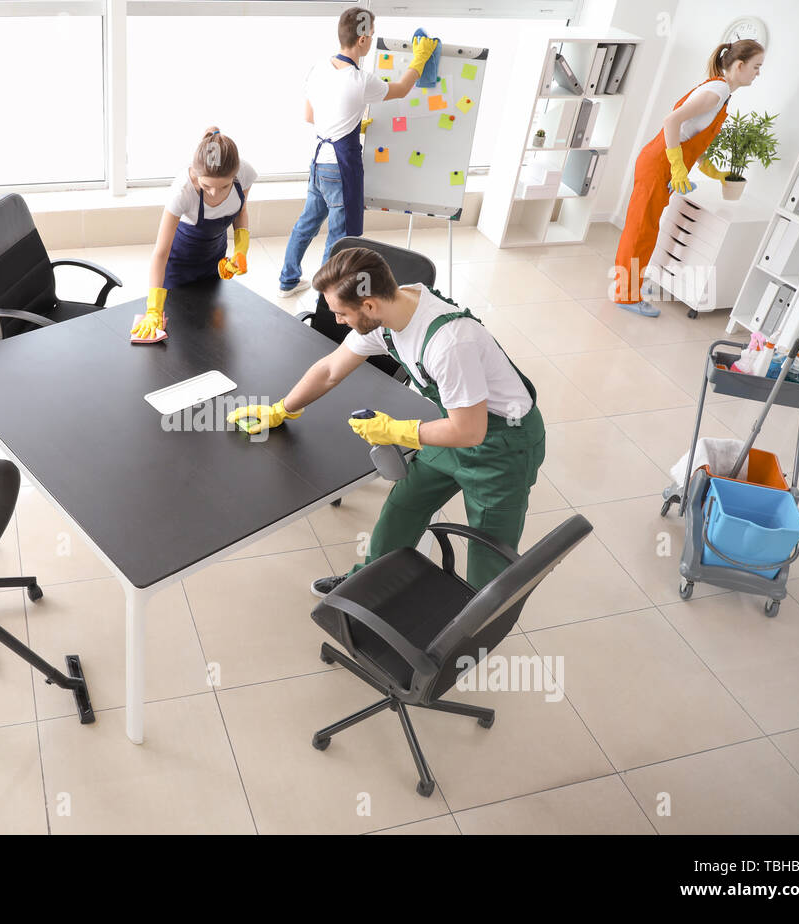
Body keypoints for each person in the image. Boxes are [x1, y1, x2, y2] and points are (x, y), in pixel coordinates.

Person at [230, 247, 545, 593]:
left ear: (368, 306)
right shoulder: (390, 313)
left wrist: (395, 430)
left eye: (341, 313)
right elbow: (330, 370)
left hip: (503, 448)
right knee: (402, 508)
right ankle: (366, 584)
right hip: (456, 427)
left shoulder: (449, 343)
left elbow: (470, 431)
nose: (336, 320)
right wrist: (281, 409)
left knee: (489, 552)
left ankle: (473, 632)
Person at [276, 6, 435, 298]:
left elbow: (311, 116)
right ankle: (326, 298)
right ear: (362, 39)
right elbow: (400, 89)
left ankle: (287, 281)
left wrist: (348, 121)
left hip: (318, 163)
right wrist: (420, 59)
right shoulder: (361, 80)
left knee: (306, 224)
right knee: (339, 238)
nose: (372, 40)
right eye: (371, 35)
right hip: (340, 168)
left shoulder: (317, 68)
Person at [612, 39, 764, 316]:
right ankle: (626, 294)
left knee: (645, 227)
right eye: (756, 67)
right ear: (739, 65)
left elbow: (692, 135)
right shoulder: (717, 91)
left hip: (662, 164)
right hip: (659, 164)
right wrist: (678, 167)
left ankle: (628, 286)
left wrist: (711, 170)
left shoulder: (721, 92)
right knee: (642, 229)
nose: (757, 73)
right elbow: (671, 122)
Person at [130, 128, 257, 341]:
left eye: (224, 186)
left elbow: (241, 211)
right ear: (196, 173)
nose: (214, 193)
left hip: (215, 257)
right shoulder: (182, 192)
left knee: (212, 333)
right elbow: (160, 253)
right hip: (179, 264)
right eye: (206, 186)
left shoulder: (245, 173)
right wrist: (153, 309)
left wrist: (241, 250)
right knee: (178, 335)